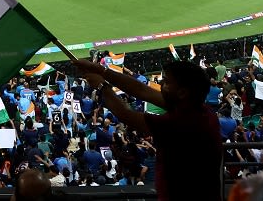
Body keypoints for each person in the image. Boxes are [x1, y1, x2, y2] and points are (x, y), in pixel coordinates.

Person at [73, 58, 221, 200]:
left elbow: (125, 114)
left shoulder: (176, 123)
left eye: (167, 82)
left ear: (182, 92)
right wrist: (101, 71)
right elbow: (142, 90)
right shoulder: (203, 112)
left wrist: (101, 86)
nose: (162, 84)